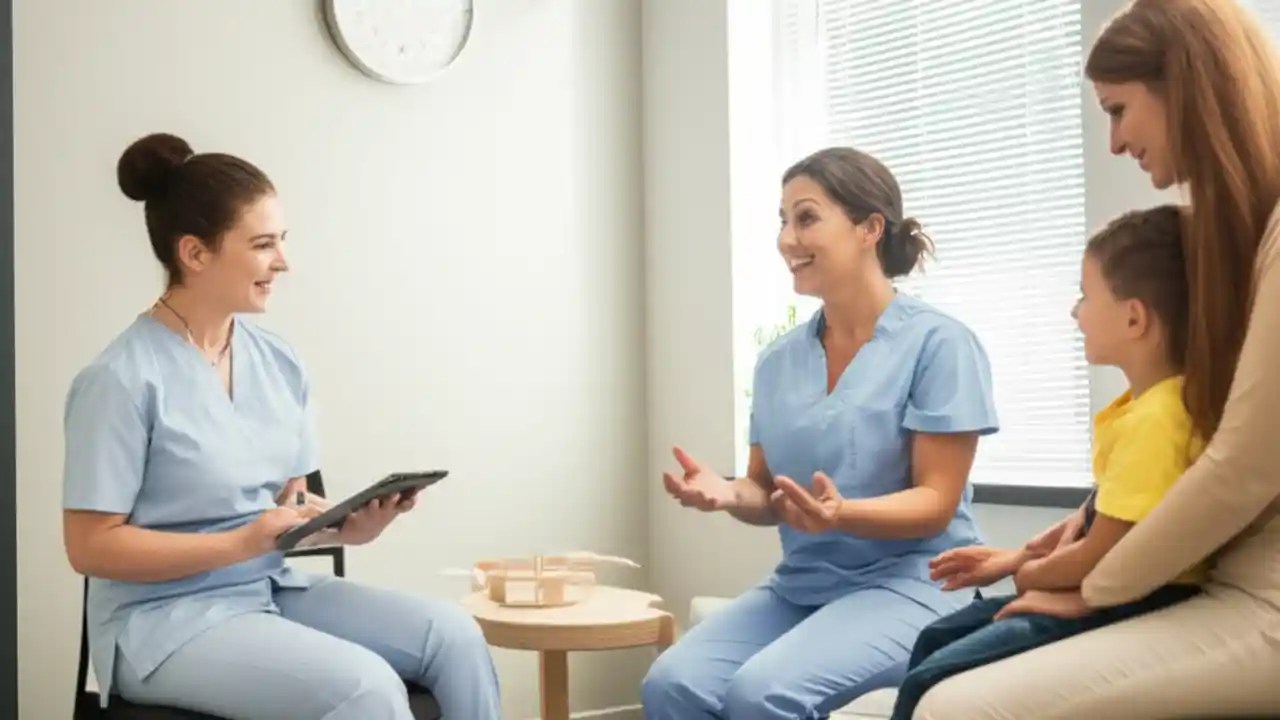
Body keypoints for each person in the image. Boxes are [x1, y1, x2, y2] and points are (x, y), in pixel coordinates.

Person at [912, 1, 1280, 717]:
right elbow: (1179, 450)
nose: (1113, 142)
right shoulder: (1235, 233)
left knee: (952, 708)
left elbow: (1245, 465)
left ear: (1186, 85)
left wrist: (1092, 586)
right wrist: (1064, 543)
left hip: (1262, 594)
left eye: (1118, 109)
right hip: (1218, 569)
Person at [61, 132, 502, 720]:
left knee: (455, 637)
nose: (283, 262)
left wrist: (345, 530)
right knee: (364, 689)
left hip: (267, 589)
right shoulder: (119, 379)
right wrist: (240, 543)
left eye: (282, 242)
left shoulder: (278, 361)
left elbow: (285, 512)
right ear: (195, 254)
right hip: (160, 623)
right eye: (263, 244)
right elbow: (90, 547)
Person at [640, 146, 1000, 719]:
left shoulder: (939, 344)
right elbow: (766, 492)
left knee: (763, 693)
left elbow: (936, 502)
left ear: (869, 228)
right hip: (804, 584)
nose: (787, 238)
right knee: (673, 682)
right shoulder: (779, 360)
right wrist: (731, 492)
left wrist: (841, 514)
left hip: (917, 584)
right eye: (782, 221)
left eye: (806, 218)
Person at [890, 205, 1204, 720]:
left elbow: (1103, 552)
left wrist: (1029, 577)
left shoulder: (1161, 419)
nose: (1074, 313)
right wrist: (1014, 559)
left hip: (1141, 597)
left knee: (933, 675)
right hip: (1113, 584)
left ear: (1134, 317)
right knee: (938, 636)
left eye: (1085, 295)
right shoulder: (1144, 408)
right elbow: (1100, 514)